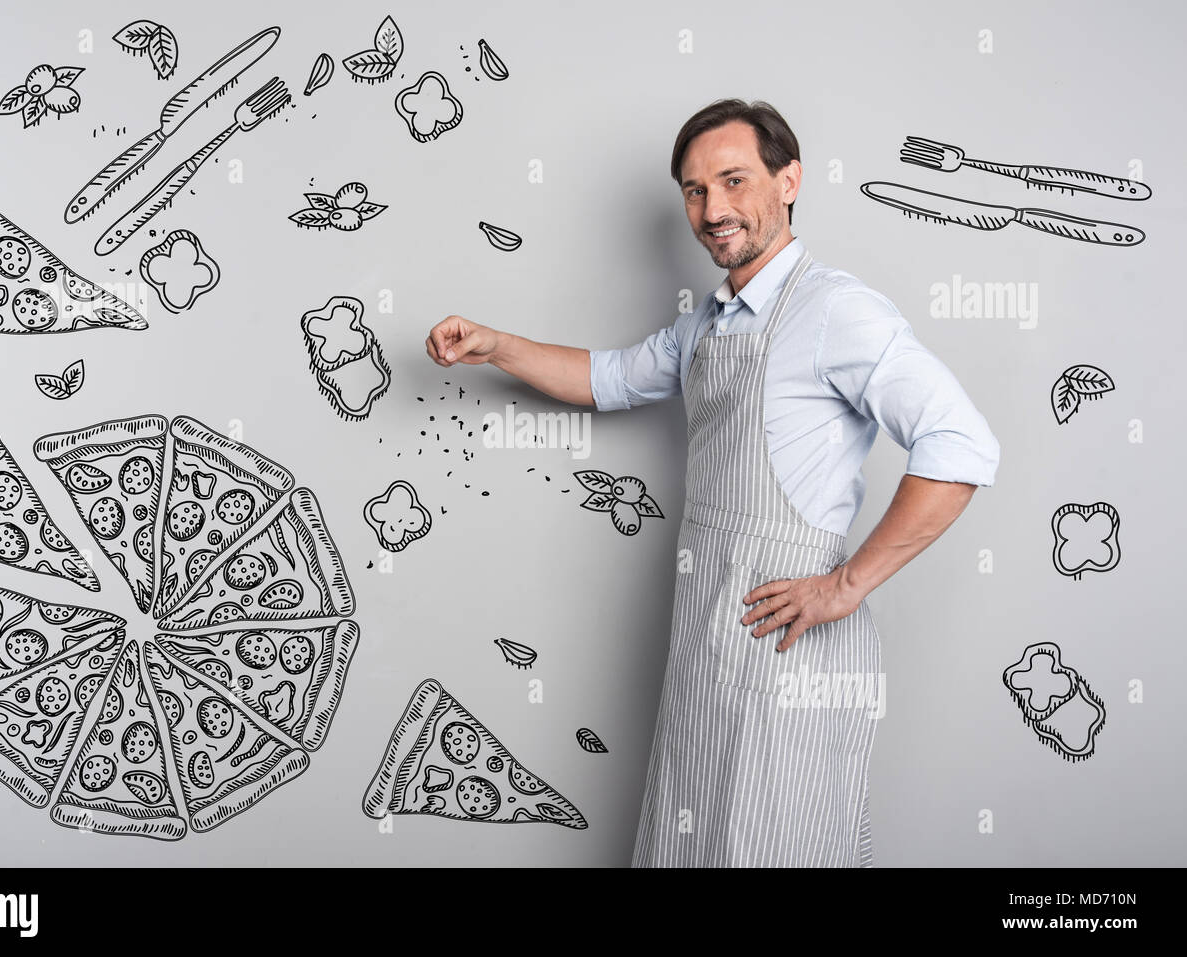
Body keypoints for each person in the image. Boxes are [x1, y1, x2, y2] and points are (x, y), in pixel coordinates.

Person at [425, 99, 999, 867]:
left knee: (781, 842)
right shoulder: (710, 321)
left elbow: (961, 444)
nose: (713, 209)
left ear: (788, 180)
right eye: (694, 191)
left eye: (733, 180)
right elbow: (608, 377)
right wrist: (497, 345)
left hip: (795, 644)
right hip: (709, 630)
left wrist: (845, 585)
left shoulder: (838, 310)